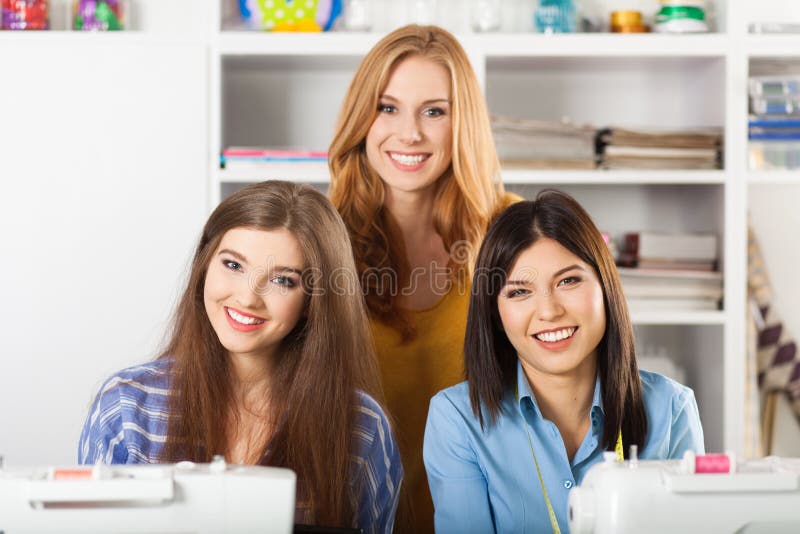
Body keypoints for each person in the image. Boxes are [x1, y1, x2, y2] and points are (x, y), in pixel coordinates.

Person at [79, 181, 402, 533]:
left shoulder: (362, 428)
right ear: (204, 266)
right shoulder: (126, 406)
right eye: (233, 265)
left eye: (283, 280)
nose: (248, 298)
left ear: (313, 301)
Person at [423, 190, 705, 533]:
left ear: (606, 288)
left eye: (568, 281)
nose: (549, 311)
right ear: (495, 313)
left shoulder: (671, 409)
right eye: (519, 292)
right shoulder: (458, 419)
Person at [328, 24, 518, 532]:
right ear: (361, 118)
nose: (409, 133)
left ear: (463, 124)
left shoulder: (515, 231)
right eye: (387, 108)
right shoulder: (316, 237)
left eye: (434, 111)